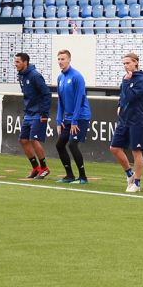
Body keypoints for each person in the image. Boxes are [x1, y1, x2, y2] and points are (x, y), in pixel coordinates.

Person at [111, 53, 143, 192]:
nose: (126, 66)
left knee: (136, 151)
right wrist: (119, 105)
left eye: (128, 63)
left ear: (136, 63)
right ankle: (129, 174)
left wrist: (127, 82)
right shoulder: (126, 78)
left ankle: (137, 183)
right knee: (114, 148)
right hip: (123, 119)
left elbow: (131, 97)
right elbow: (123, 95)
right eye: (124, 64)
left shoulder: (141, 80)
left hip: (136, 120)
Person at [54, 49, 90, 185]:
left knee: (73, 144)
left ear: (69, 60)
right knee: (59, 145)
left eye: (63, 59)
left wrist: (74, 120)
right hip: (68, 119)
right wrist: (59, 120)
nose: (60, 62)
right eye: (58, 59)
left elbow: (79, 100)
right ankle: (69, 175)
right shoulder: (60, 78)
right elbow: (60, 101)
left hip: (80, 117)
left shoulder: (77, 76)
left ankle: (83, 177)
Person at [15, 52, 52, 179]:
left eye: (18, 62)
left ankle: (45, 168)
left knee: (33, 139)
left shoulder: (35, 76)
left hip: (38, 113)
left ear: (25, 62)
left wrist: (44, 113)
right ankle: (35, 168)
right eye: (15, 62)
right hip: (28, 113)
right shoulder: (21, 76)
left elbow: (46, 94)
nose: (16, 64)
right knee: (23, 140)